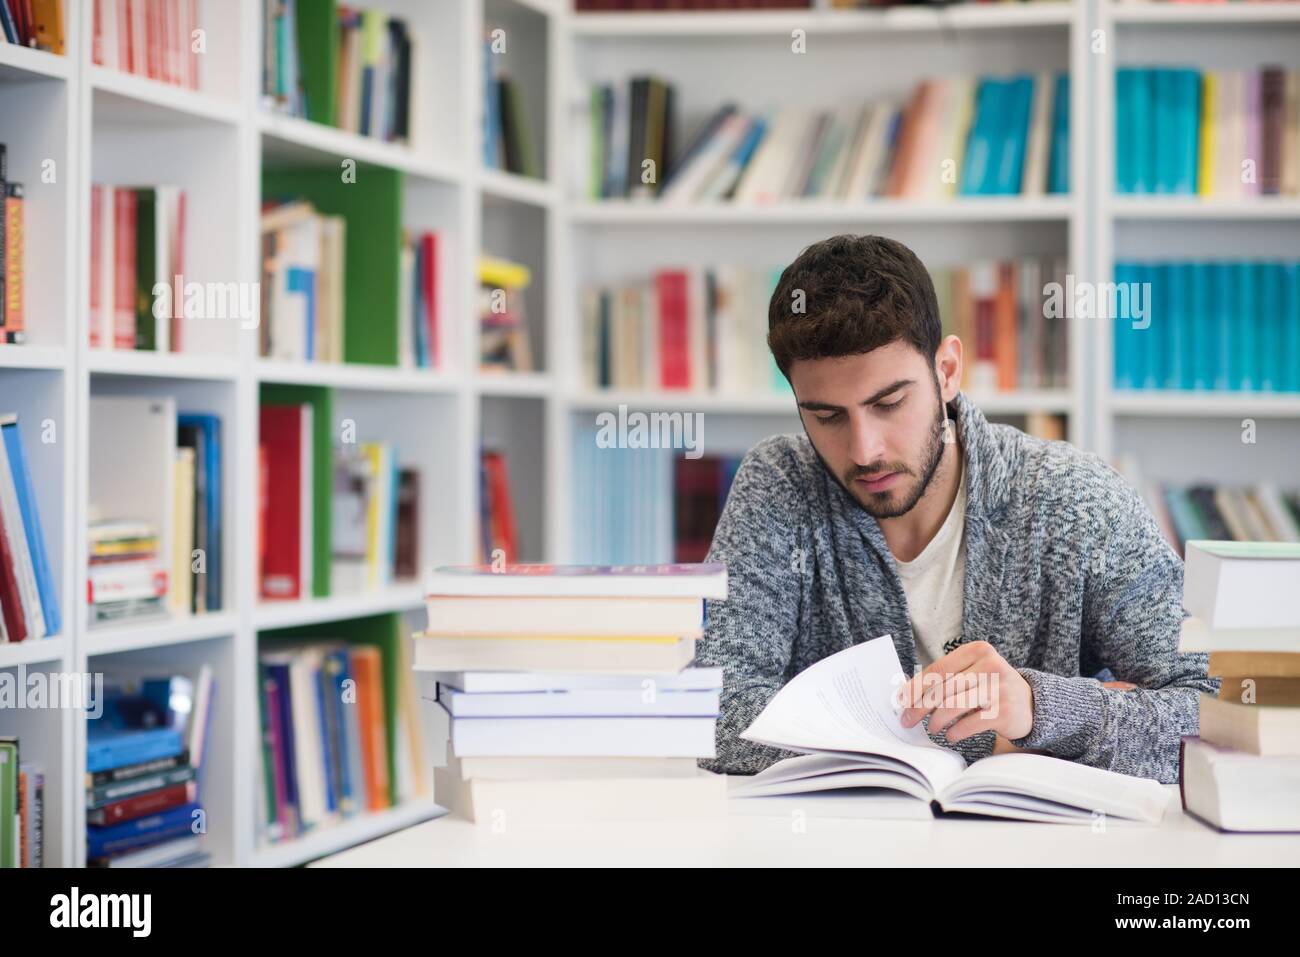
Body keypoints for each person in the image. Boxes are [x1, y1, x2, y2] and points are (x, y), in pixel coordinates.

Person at [696, 234, 1217, 784]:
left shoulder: (1077, 501)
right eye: (827, 416)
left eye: (889, 403)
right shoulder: (778, 485)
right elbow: (711, 713)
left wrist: (1039, 709)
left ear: (947, 371)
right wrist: (983, 740)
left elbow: (1218, 715)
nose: (864, 449)